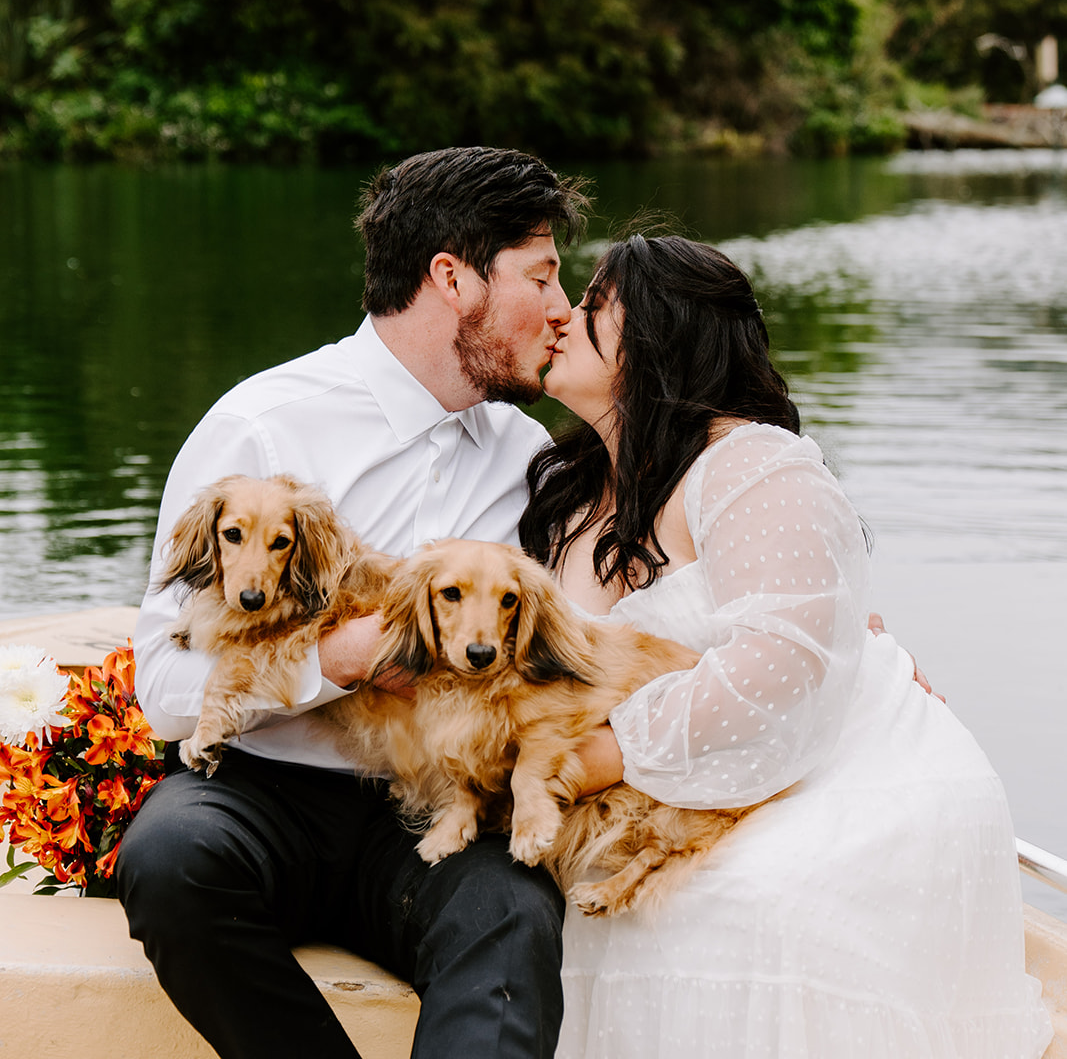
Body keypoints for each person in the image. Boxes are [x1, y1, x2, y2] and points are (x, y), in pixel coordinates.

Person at [520, 233, 1052, 1059]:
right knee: (595, 903)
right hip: (658, 793)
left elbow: (784, 661)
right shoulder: (564, 498)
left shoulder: (751, 465)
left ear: (659, 338)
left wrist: (595, 758)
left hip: (839, 772)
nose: (563, 316)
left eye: (594, 305)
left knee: (747, 907)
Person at [116, 146, 590, 1059]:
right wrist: (334, 662)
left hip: (434, 795)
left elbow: (597, 616)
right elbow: (164, 687)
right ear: (452, 279)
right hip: (262, 789)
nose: (563, 309)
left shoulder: (526, 456)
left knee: (513, 918)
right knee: (169, 862)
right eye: (542, 276)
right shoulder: (260, 425)